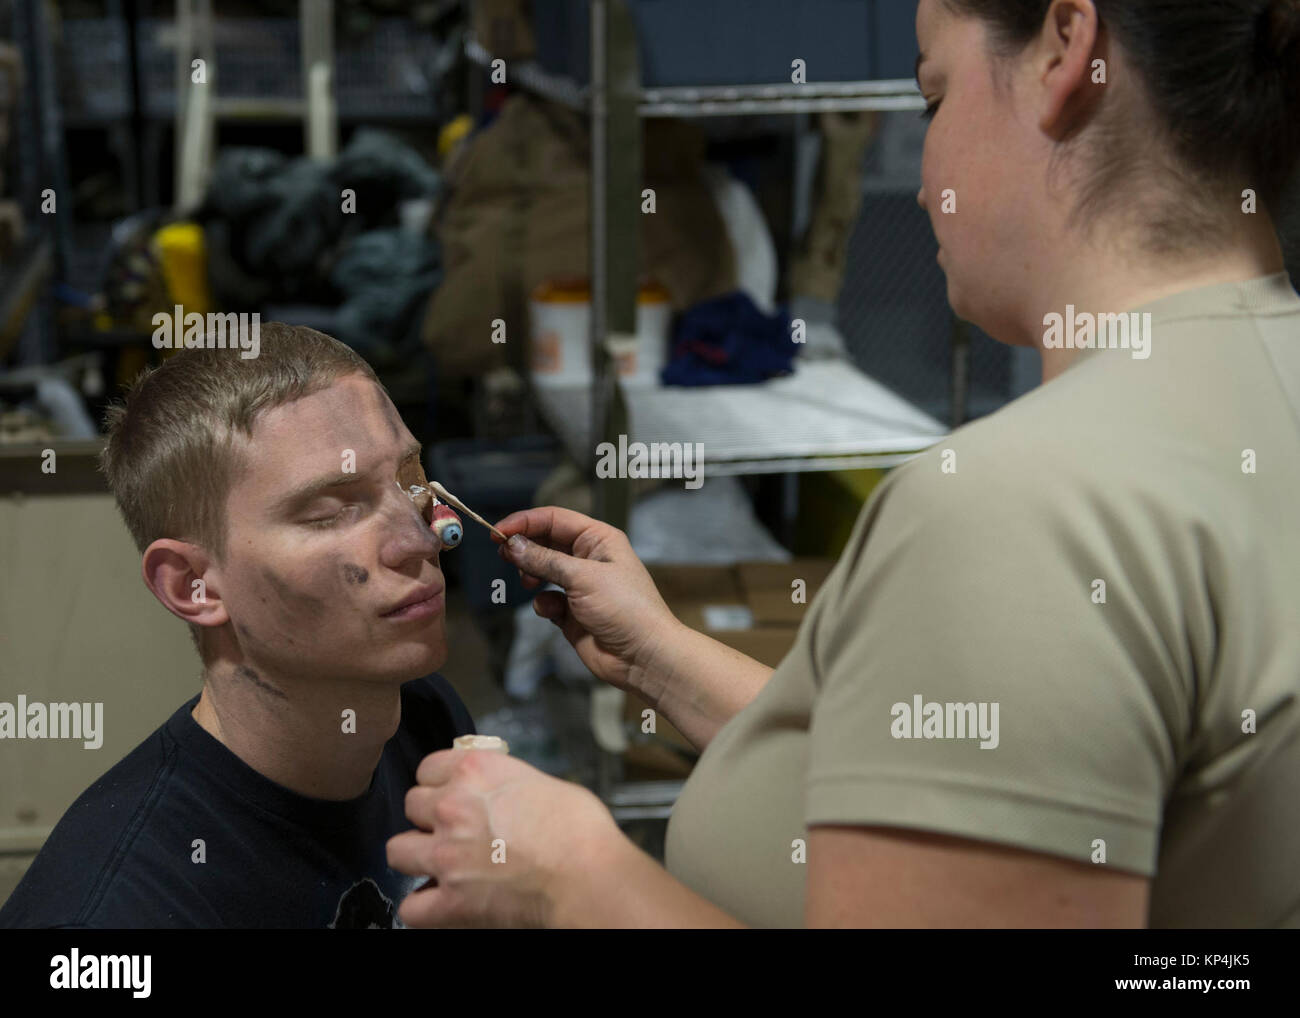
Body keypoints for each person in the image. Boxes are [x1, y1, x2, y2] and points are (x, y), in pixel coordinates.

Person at [386, 0, 1300, 928]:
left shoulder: (1026, 507)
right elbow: (971, 775)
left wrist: (577, 882)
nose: (922, 174)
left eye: (934, 96)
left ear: (1066, 51)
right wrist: (665, 663)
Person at [0, 324, 473, 929]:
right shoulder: (120, 915)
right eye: (331, 513)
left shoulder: (423, 719)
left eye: (410, 480)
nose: (418, 537)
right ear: (190, 585)